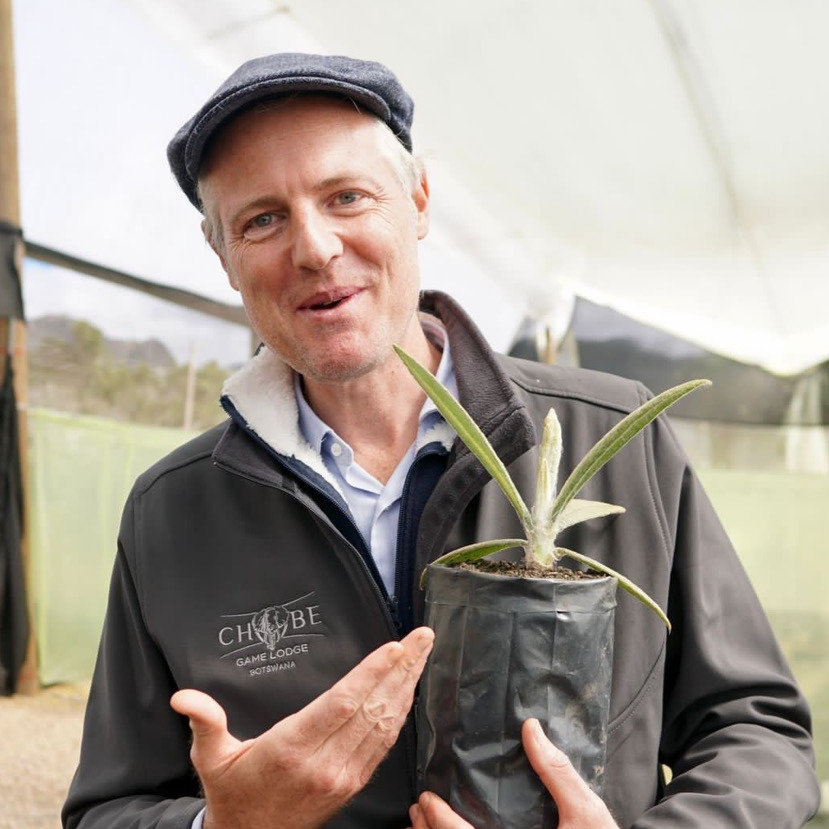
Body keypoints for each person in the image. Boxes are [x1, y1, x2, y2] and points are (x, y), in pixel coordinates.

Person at [63, 53, 819, 829]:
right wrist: (221, 826)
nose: (315, 247)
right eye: (261, 219)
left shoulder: (616, 435)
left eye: (346, 196)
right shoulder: (174, 511)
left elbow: (756, 731)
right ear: (220, 254)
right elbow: (107, 807)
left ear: (418, 199)